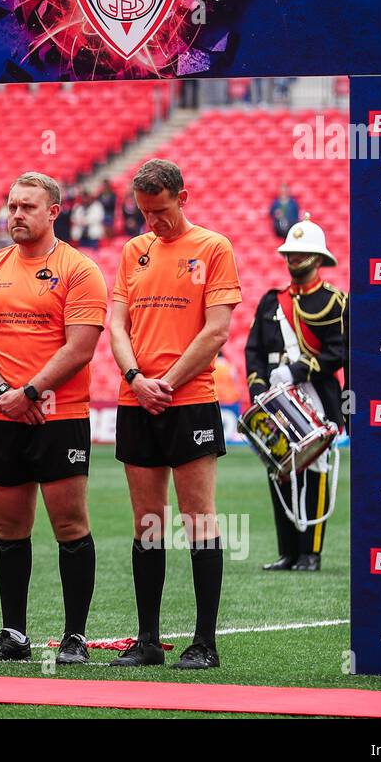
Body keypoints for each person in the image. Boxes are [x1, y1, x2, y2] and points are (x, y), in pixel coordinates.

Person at [0, 172, 108, 665]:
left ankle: (75, 637)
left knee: (69, 524)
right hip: (3, 415)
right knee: (9, 528)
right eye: (11, 205)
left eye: (27, 206)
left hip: (59, 415)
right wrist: (5, 392)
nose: (16, 214)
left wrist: (30, 391)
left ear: (53, 212)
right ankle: (13, 634)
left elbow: (81, 346)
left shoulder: (80, 270)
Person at [109, 159, 241, 670]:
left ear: (182, 199)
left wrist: (167, 382)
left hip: (189, 400)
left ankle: (204, 642)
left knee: (199, 519)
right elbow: (116, 325)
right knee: (147, 522)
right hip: (136, 400)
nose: (152, 223)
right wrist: (136, 380)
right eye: (144, 213)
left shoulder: (213, 248)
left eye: (160, 211)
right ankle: (147, 641)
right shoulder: (132, 251)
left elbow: (216, 331)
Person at [244, 213, 347, 573]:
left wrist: (299, 370)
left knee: (315, 464)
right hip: (274, 395)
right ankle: (288, 551)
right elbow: (253, 350)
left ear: (318, 258)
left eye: (302, 253)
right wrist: (259, 386)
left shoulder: (335, 302)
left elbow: (340, 350)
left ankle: (311, 552)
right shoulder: (271, 301)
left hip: (315, 392)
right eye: (291, 252)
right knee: (279, 467)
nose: (294, 258)